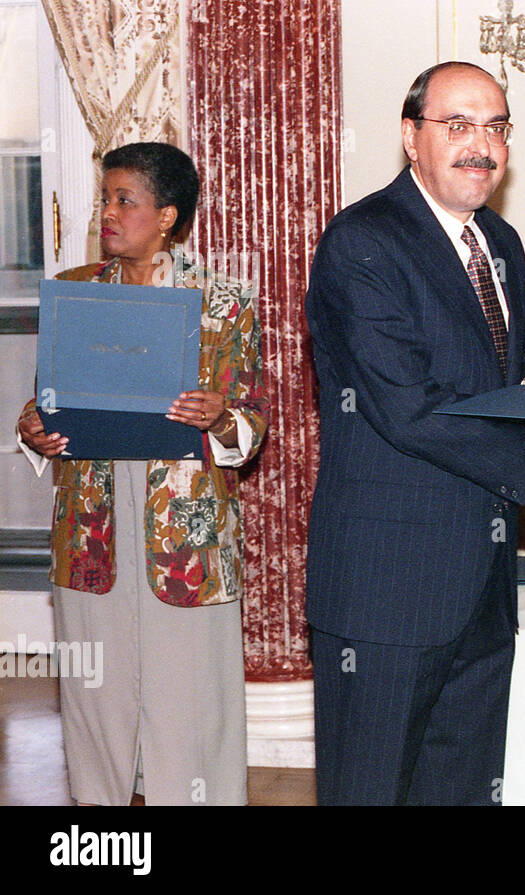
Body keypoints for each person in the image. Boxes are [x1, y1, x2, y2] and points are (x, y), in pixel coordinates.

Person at [304, 61, 525, 806]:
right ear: (411, 137)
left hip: (480, 580)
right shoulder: (363, 242)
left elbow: (484, 379)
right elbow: (406, 405)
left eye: (496, 127)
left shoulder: (498, 242)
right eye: (458, 125)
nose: (482, 146)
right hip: (387, 589)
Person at [16, 141, 268, 806]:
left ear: (167, 216)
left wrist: (219, 418)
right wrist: (33, 430)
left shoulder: (224, 302)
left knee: (191, 704)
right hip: (92, 527)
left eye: (124, 199)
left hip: (188, 538)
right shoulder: (71, 293)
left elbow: (252, 425)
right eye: (105, 197)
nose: (107, 212)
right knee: (95, 702)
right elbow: (47, 408)